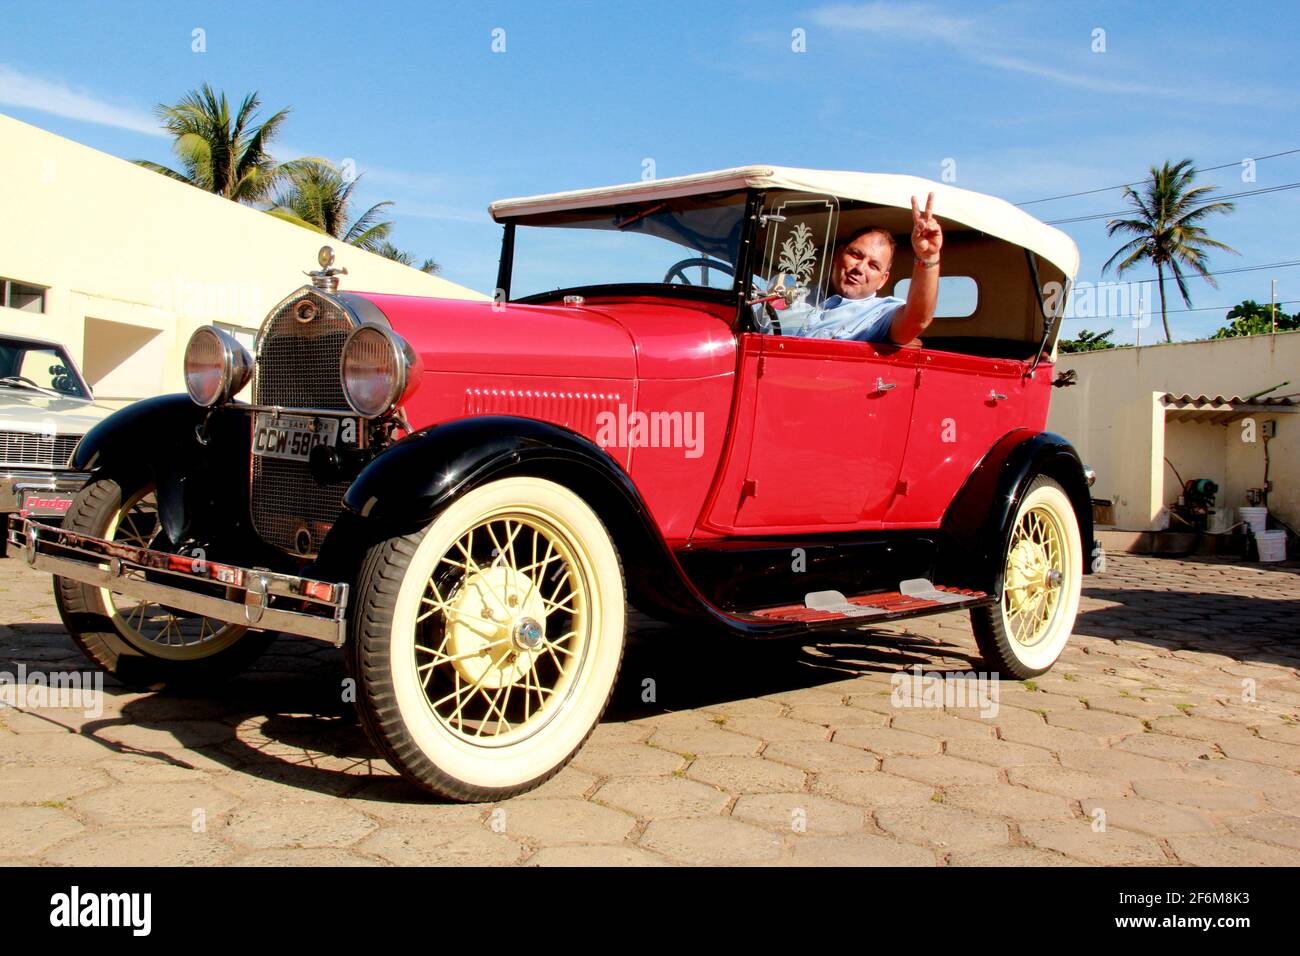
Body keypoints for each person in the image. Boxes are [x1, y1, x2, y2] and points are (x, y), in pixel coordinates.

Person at [797, 192, 944, 346]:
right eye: (856, 255)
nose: (860, 268)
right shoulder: (793, 295)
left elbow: (916, 320)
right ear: (838, 255)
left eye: (873, 266)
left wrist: (928, 256)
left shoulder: (879, 314)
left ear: (883, 280)